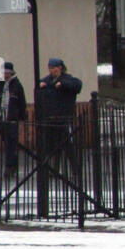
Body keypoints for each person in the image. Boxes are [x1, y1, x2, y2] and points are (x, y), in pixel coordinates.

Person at [37, 56, 84, 184]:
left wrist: (63, 84)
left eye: (54, 68)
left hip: (63, 118)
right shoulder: (47, 81)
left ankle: (75, 170)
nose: (52, 70)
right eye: (50, 68)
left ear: (60, 68)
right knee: (53, 146)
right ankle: (54, 169)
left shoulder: (67, 80)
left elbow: (77, 85)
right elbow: (40, 89)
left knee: (67, 145)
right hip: (50, 118)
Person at [0, 61, 28, 177]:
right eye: (3, 72)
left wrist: (22, 117)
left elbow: (22, 102)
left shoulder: (17, 85)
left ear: (11, 72)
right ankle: (11, 165)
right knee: (7, 143)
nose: (5, 74)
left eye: (7, 72)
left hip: (12, 119)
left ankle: (9, 167)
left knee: (11, 143)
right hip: (1, 118)